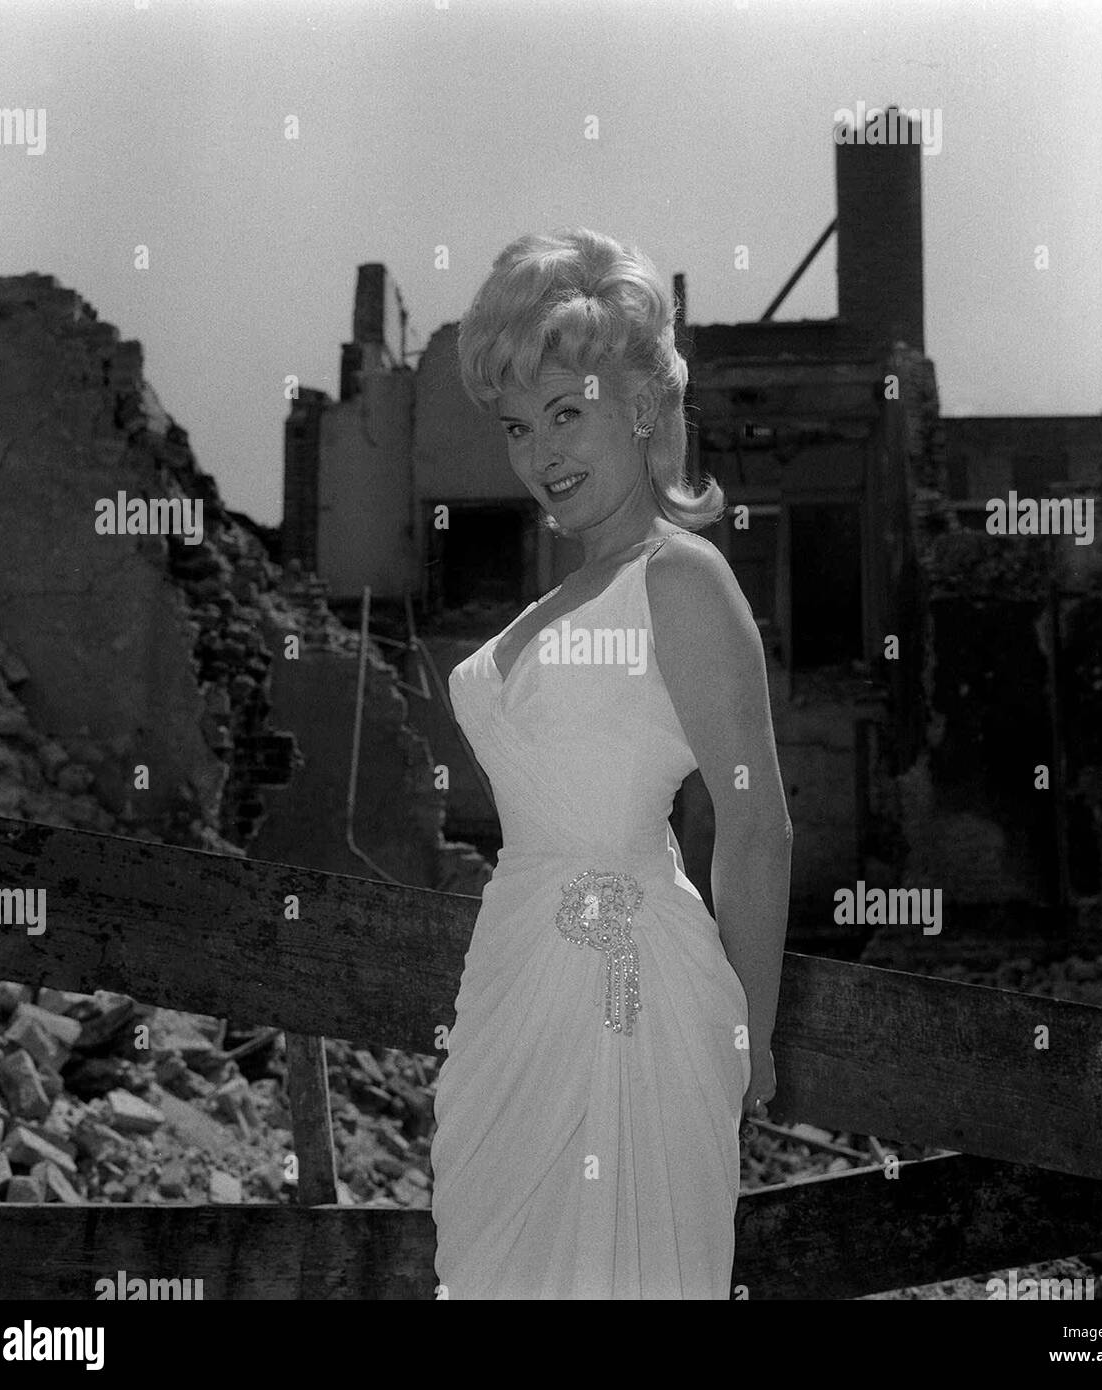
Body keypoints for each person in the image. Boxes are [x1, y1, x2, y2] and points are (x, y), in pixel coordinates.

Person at [429, 227, 792, 1299]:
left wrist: (748, 1035)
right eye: (516, 425)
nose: (541, 451)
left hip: (631, 1000)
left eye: (567, 411)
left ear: (638, 405)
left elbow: (757, 823)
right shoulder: (557, 600)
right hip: (510, 986)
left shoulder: (682, 580)